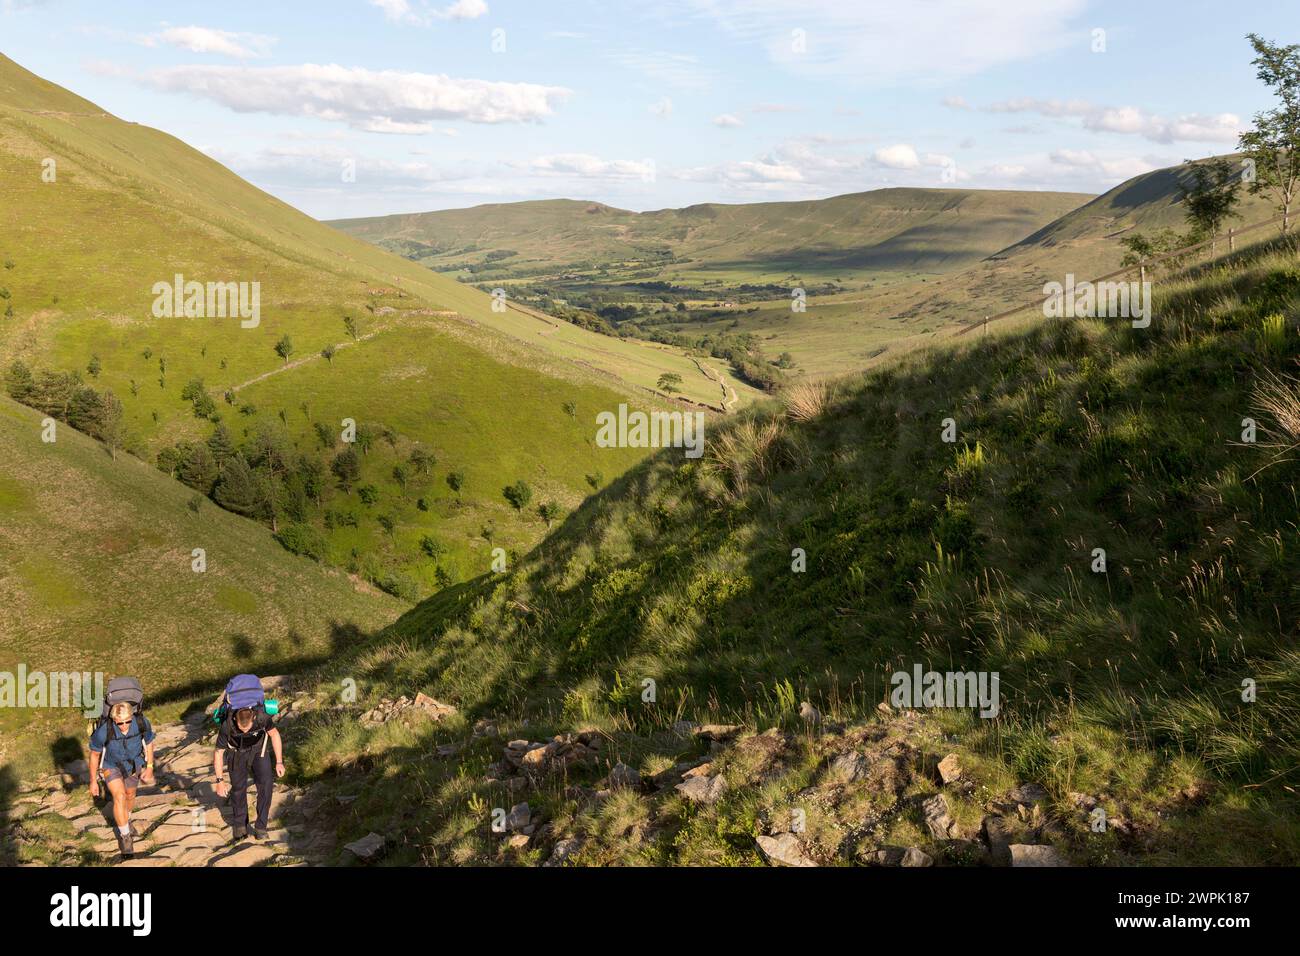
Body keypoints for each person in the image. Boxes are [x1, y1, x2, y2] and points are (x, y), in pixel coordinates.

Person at [88, 700, 156, 858]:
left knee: (130, 795)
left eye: (127, 721)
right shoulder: (104, 731)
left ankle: (128, 819)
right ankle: (125, 837)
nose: (124, 726)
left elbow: (150, 742)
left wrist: (150, 767)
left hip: (133, 763)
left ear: (132, 717)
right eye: (120, 723)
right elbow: (94, 755)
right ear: (113, 719)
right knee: (119, 796)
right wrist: (92, 781)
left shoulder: (141, 722)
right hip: (110, 765)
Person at [213, 706, 284, 840]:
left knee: (266, 786)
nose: (244, 730)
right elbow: (218, 753)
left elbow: (274, 734)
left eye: (247, 728)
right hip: (236, 753)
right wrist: (219, 781)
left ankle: (261, 827)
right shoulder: (227, 725)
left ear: (254, 718)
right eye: (241, 728)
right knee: (238, 789)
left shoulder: (262, 718)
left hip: (259, 751)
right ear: (235, 719)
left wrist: (279, 762)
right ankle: (240, 825)